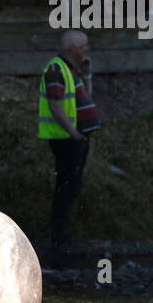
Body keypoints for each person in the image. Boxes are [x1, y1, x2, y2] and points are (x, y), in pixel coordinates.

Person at [38, 29, 100, 254]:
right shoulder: (56, 69)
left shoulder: (71, 70)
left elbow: (86, 98)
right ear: (73, 49)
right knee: (66, 186)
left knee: (72, 185)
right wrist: (74, 132)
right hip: (66, 139)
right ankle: (59, 236)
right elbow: (55, 105)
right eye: (84, 46)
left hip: (75, 137)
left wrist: (87, 75)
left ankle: (64, 233)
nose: (87, 50)